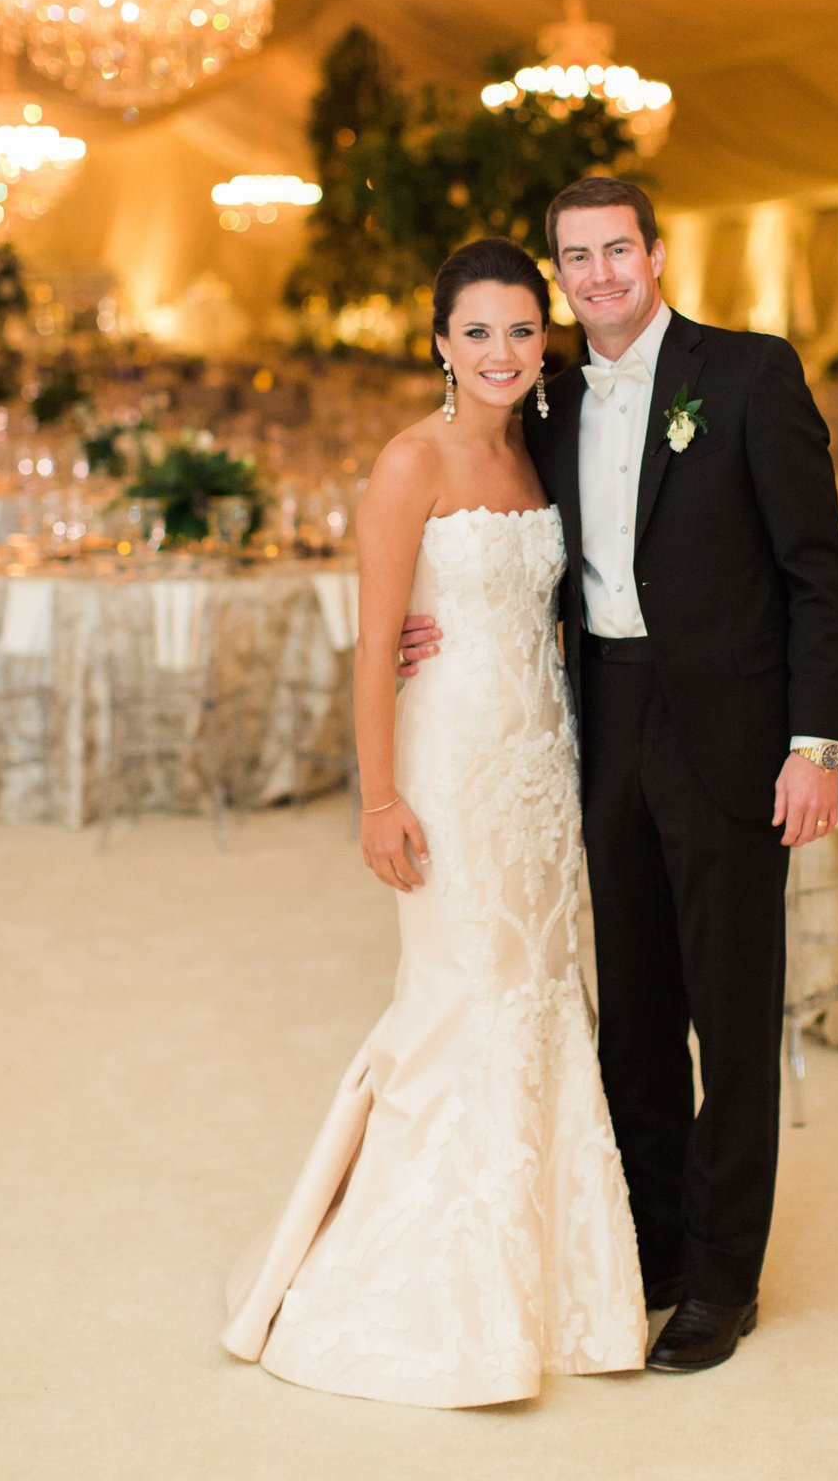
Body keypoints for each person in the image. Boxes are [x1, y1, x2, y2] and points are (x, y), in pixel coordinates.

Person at [399, 177, 838, 1374]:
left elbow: (820, 574)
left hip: (734, 734)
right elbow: (455, 497)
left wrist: (817, 742)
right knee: (636, 1012)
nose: (598, 273)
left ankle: (719, 1278)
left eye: (617, 249)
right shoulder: (542, 400)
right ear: (556, 275)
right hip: (597, 717)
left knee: (730, 1009)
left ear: (655, 253)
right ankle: (647, 1246)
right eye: (575, 257)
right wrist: (424, 612)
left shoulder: (749, 374)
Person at [220, 236, 646, 1409]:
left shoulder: (538, 451)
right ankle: (425, 1294)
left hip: (541, 759)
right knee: (460, 995)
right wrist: (376, 796)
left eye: (521, 328)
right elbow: (375, 644)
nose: (501, 352)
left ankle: (558, 1285)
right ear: (438, 344)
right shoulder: (409, 461)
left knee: (543, 989)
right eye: (476, 332)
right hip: (450, 761)